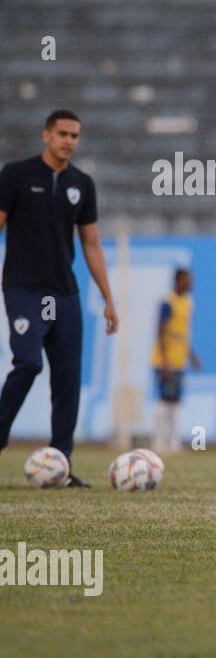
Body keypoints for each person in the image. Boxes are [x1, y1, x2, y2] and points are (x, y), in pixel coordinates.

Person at [0, 110, 118, 485]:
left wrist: (108, 298)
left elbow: (92, 244)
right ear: (46, 135)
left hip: (64, 294)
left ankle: (61, 464)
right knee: (29, 363)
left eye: (75, 135)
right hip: (24, 289)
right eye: (63, 133)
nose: (69, 140)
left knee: (67, 379)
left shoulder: (81, 183)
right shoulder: (16, 175)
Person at [151, 267, 200, 454]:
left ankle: (173, 442)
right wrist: (164, 361)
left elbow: (181, 334)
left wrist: (191, 356)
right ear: (178, 281)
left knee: (175, 401)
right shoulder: (167, 302)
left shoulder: (188, 302)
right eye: (187, 280)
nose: (190, 283)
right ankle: (158, 441)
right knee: (164, 399)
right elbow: (161, 331)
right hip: (165, 360)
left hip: (179, 360)